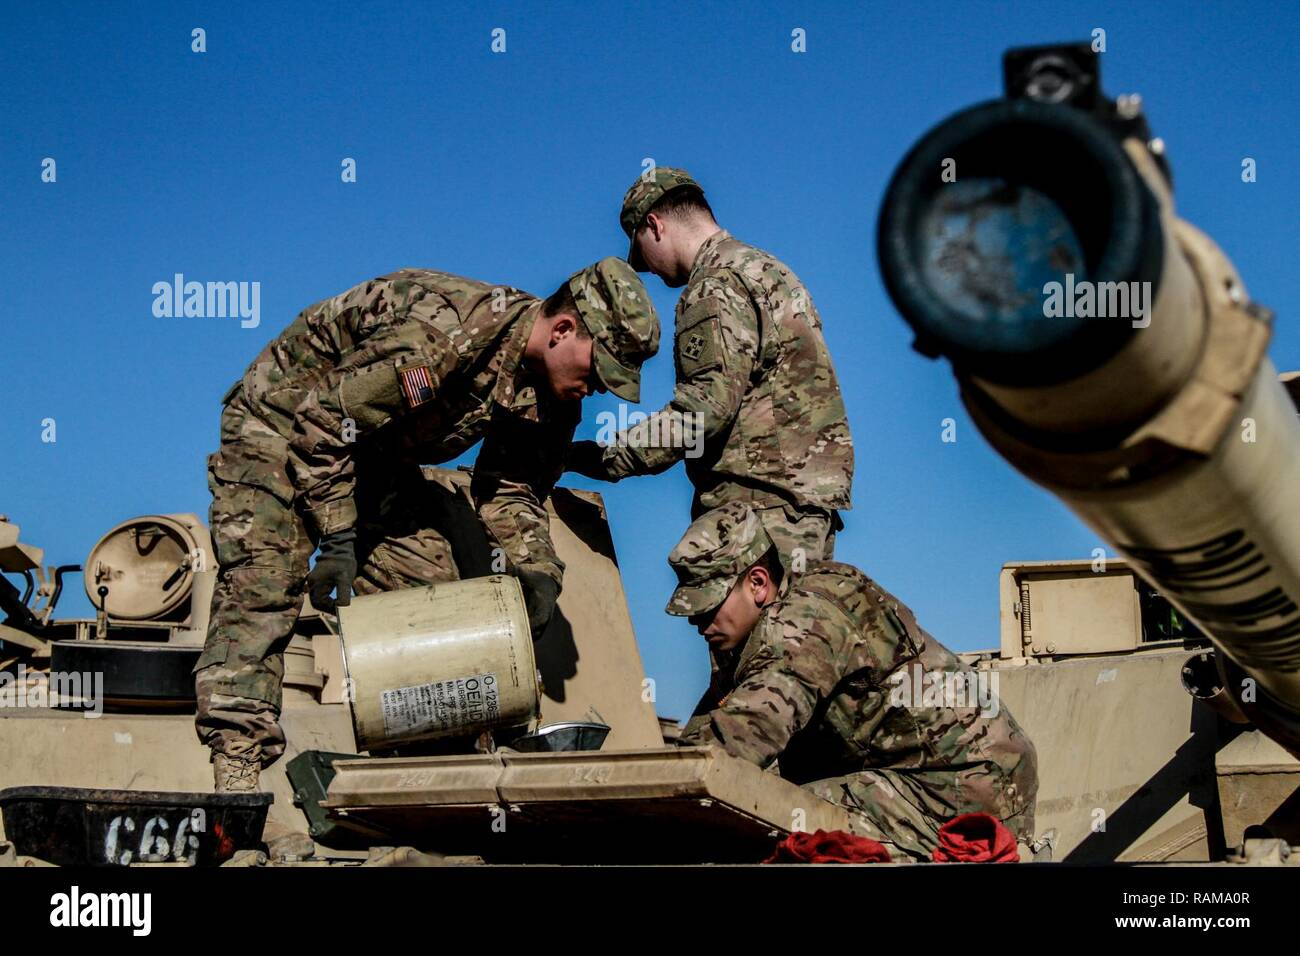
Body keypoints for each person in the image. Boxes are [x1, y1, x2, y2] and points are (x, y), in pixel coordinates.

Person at [195, 258, 659, 791]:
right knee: (264, 582)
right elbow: (323, 423)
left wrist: (536, 570)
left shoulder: (553, 395)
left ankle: (424, 777)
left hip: (372, 454)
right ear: (562, 330)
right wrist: (340, 538)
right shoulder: (443, 336)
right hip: (278, 427)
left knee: (435, 591)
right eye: (598, 371)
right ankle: (237, 779)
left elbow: (512, 486)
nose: (598, 389)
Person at [666, 502, 1039, 859]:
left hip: (957, 788)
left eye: (708, 606)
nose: (697, 622)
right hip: (914, 773)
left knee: (772, 827)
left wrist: (658, 802)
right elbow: (711, 729)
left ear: (758, 583)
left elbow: (747, 733)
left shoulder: (807, 618)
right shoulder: (753, 631)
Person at [568, 167, 852, 571]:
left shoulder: (714, 285)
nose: (646, 271)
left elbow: (704, 411)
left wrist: (607, 456)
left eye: (640, 253)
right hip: (799, 504)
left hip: (756, 509)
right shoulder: (768, 270)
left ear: (655, 225)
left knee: (758, 632)